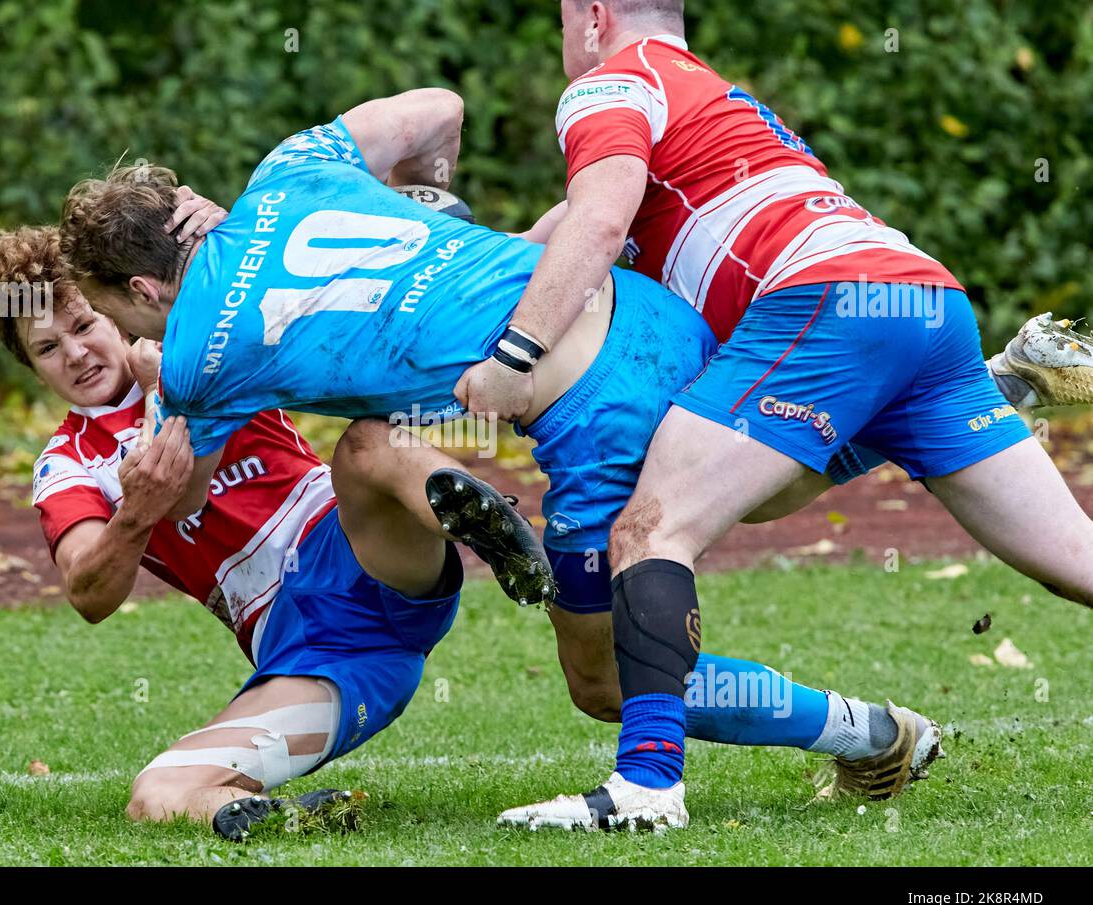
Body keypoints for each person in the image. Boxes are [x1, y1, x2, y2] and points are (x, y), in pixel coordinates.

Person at [55, 90, 960, 816]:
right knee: (752, 492)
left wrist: (159, 376)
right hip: (635, 305)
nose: (122, 334)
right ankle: (928, 406)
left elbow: (182, 492)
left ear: (141, 287)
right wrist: (437, 201)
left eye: (116, 314)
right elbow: (440, 107)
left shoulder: (195, 355)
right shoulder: (292, 165)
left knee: (603, 678)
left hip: (585, 408)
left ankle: (870, 736)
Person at [478, 0, 1093, 831]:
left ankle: (647, 790)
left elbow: (598, 219)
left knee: (649, 532)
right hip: (922, 306)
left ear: (592, 16)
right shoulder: (706, 96)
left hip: (830, 306)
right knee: (1074, 565)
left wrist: (515, 354)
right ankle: (1001, 383)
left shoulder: (611, 83)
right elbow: (557, 238)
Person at [0, 212, 553, 840]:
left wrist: (219, 219)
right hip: (318, 649)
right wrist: (136, 513)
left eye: (83, 325)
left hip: (352, 544)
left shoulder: (199, 340)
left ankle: (495, 531)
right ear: (31, 369)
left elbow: (273, 264)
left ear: (118, 307)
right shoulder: (68, 464)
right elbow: (88, 594)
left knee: (365, 446)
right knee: (156, 795)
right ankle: (291, 817)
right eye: (47, 348)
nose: (76, 353)